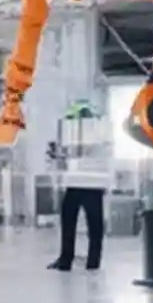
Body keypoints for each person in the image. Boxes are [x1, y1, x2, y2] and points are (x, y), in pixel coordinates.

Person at [49, 106, 109, 272]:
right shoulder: (99, 135)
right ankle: (92, 262)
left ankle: (66, 260)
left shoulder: (78, 135)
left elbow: (69, 157)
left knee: (71, 222)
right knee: (94, 226)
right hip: (91, 183)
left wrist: (58, 155)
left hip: (79, 183)